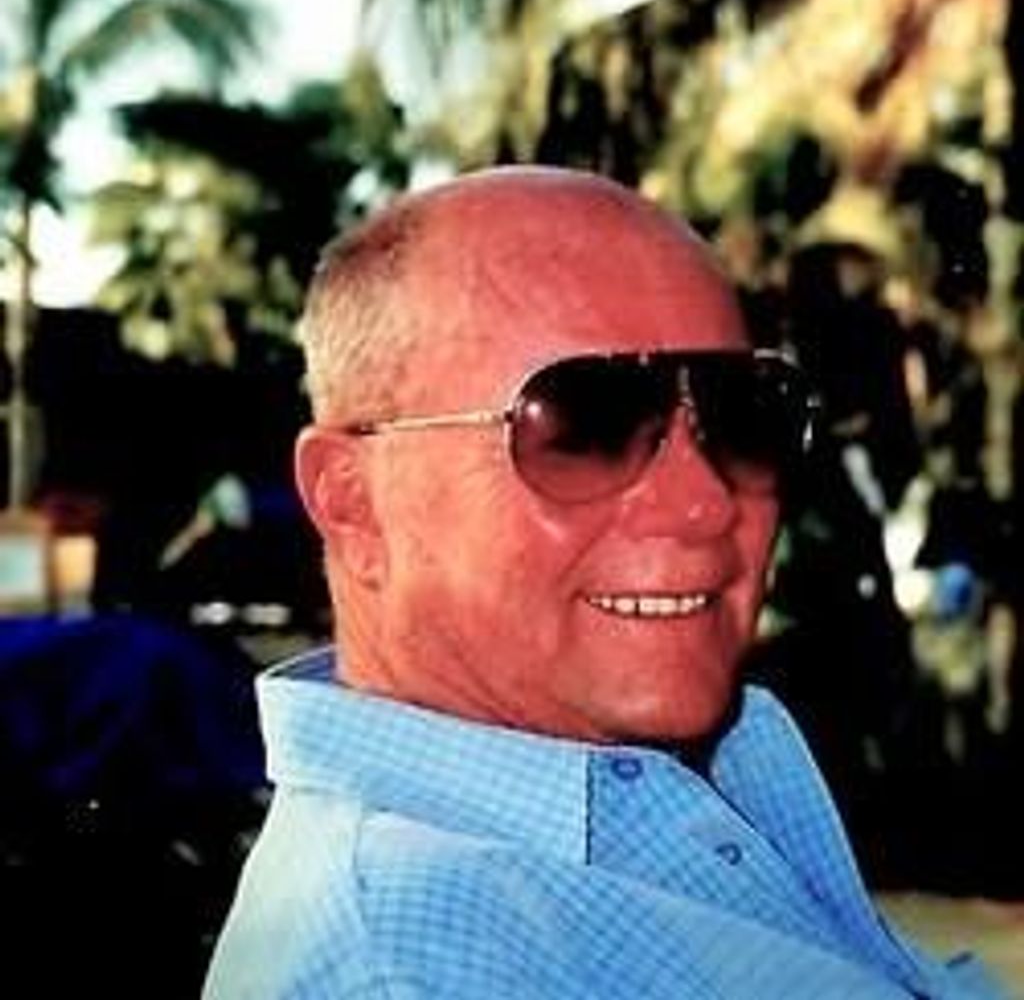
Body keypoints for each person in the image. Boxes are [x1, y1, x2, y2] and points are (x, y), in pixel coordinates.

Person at [205, 168, 1002, 998]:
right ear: (353, 503)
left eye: (743, 414)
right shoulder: (414, 970)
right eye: (587, 426)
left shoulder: (658, 793)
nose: (705, 503)